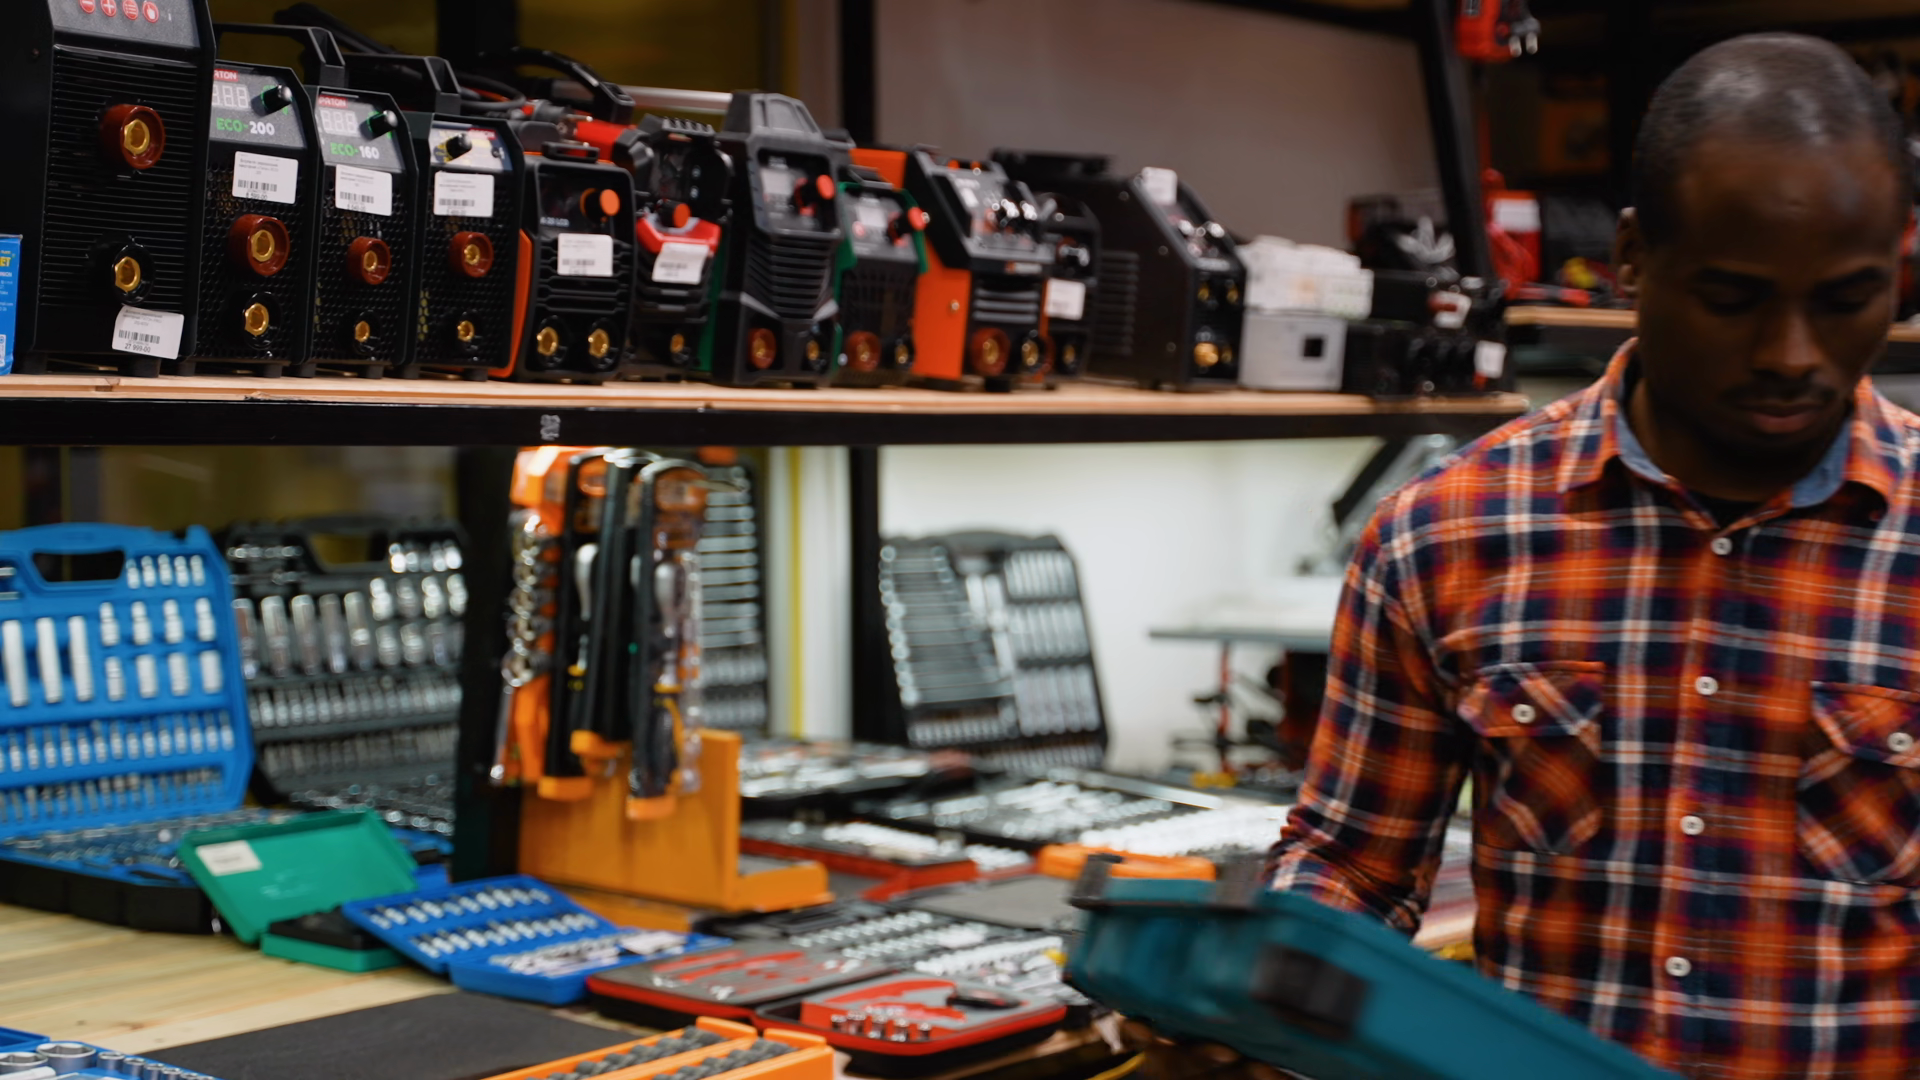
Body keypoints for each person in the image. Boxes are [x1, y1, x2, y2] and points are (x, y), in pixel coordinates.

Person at [1142, 31, 1920, 1080]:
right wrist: (1244, 988)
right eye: (1733, 299)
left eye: (1844, 300)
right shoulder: (1445, 535)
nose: (1790, 354)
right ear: (1636, 258)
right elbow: (1356, 867)